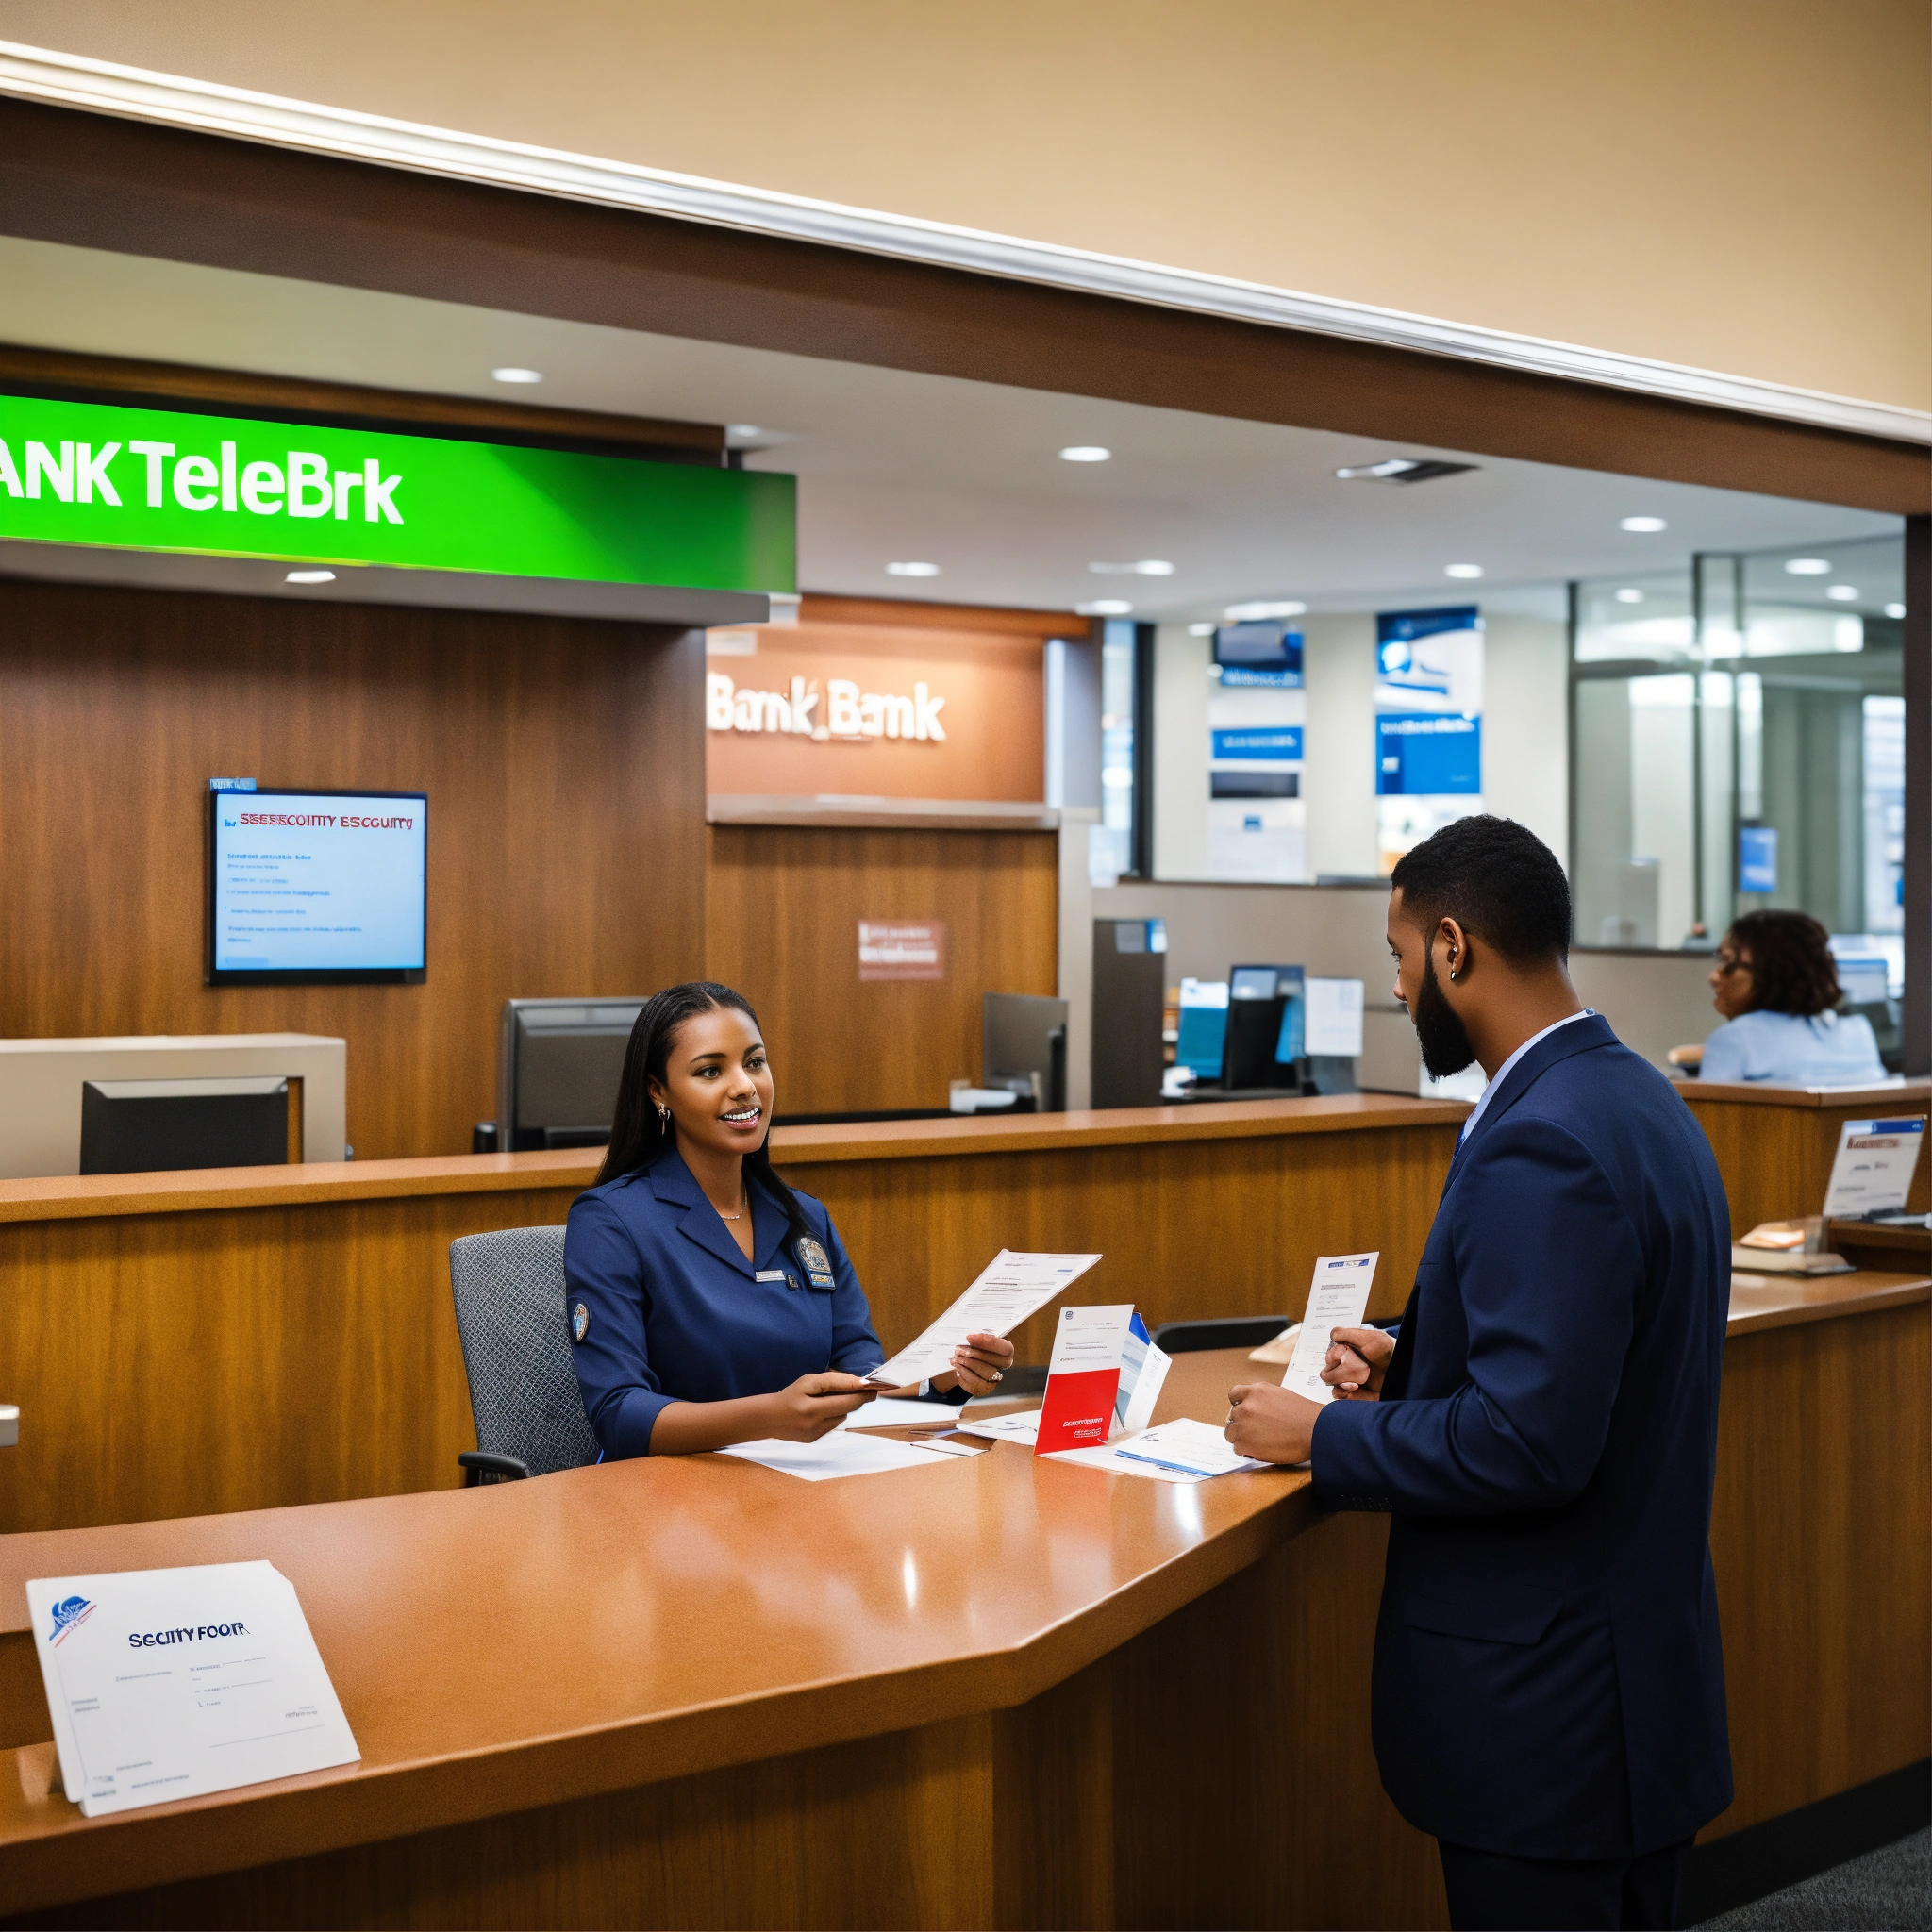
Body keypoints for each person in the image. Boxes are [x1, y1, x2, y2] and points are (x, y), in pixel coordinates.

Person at [1224, 816, 1733, 1932]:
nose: (1399, 985)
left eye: (1399, 956)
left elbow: (1526, 1442)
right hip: (1634, 1694)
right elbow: (1600, 1356)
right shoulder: (1638, 1099)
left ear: (1452, 946)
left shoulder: (1537, 1137)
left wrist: (1317, 1435)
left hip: (1546, 1717)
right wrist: (1420, 1362)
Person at [566, 981, 1013, 1456]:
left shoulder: (804, 1217)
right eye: (711, 1071)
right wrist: (771, 1417)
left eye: (755, 1062)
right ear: (660, 1091)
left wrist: (939, 1378)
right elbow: (618, 1413)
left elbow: (858, 1370)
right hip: (669, 1500)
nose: (744, 1086)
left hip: (800, 1480)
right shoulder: (610, 1221)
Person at [1695, 910, 1885, 1085]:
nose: (1713, 976)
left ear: (1771, 970)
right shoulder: (1859, 1034)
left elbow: (1705, 1121)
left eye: (1728, 961)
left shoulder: (1733, 1040)